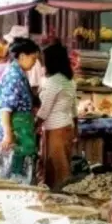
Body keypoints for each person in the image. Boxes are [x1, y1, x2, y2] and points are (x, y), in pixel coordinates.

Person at [0, 38, 41, 184]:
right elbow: (5, 108)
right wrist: (8, 133)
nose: (34, 62)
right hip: (15, 131)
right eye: (33, 58)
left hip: (21, 128)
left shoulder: (19, 73)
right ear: (22, 56)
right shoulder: (13, 76)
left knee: (19, 168)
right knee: (12, 173)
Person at [37, 41, 76, 190]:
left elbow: (45, 109)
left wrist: (35, 124)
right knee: (63, 164)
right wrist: (75, 127)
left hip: (55, 129)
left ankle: (60, 198)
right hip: (66, 127)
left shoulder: (53, 81)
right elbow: (74, 108)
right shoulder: (68, 80)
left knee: (57, 168)